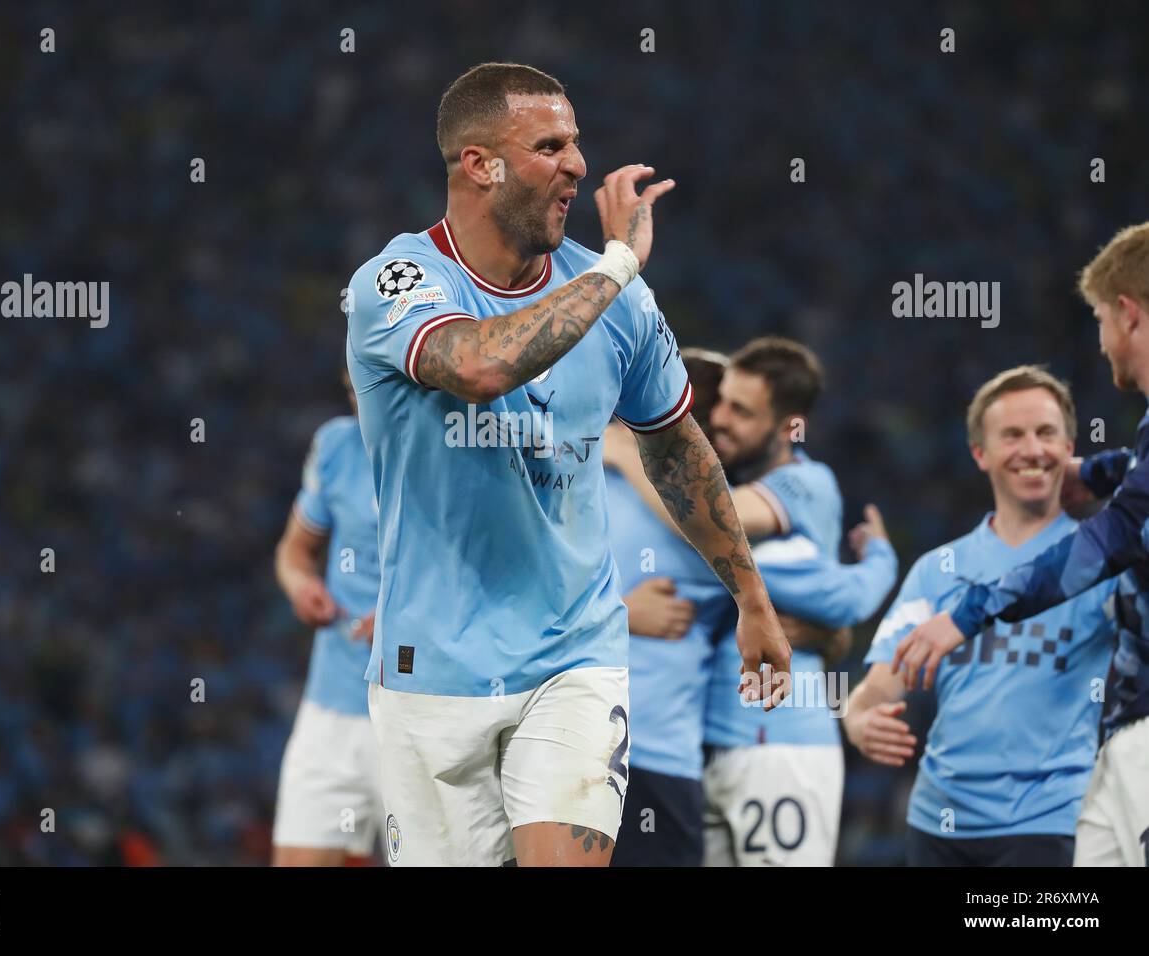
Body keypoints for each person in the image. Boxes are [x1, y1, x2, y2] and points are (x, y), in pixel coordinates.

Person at [344, 62, 789, 866]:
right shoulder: (398, 281)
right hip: (431, 668)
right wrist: (615, 267)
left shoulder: (620, 300)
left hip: (572, 655)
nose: (579, 167)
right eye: (551, 145)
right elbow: (481, 366)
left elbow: (676, 447)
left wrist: (749, 592)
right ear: (481, 163)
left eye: (577, 144)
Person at [602, 346, 897, 866]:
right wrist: (618, 610)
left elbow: (726, 530)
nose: (719, 421)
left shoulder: (800, 487)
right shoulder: (613, 484)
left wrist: (877, 565)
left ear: (788, 427)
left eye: (740, 411)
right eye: (719, 407)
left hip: (768, 740)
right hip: (700, 742)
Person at [857, 366, 1116, 865]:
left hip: (1052, 823)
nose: (1032, 450)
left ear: (1070, 448)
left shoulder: (1104, 559)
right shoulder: (938, 569)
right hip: (937, 825)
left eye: (1046, 433)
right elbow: (876, 690)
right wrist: (861, 721)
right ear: (981, 452)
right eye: (1012, 435)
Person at [271, 373, 380, 866]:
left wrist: (414, 615)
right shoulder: (337, 445)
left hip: (426, 711)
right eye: (357, 389)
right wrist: (301, 586)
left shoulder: (462, 447)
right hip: (331, 705)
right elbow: (295, 552)